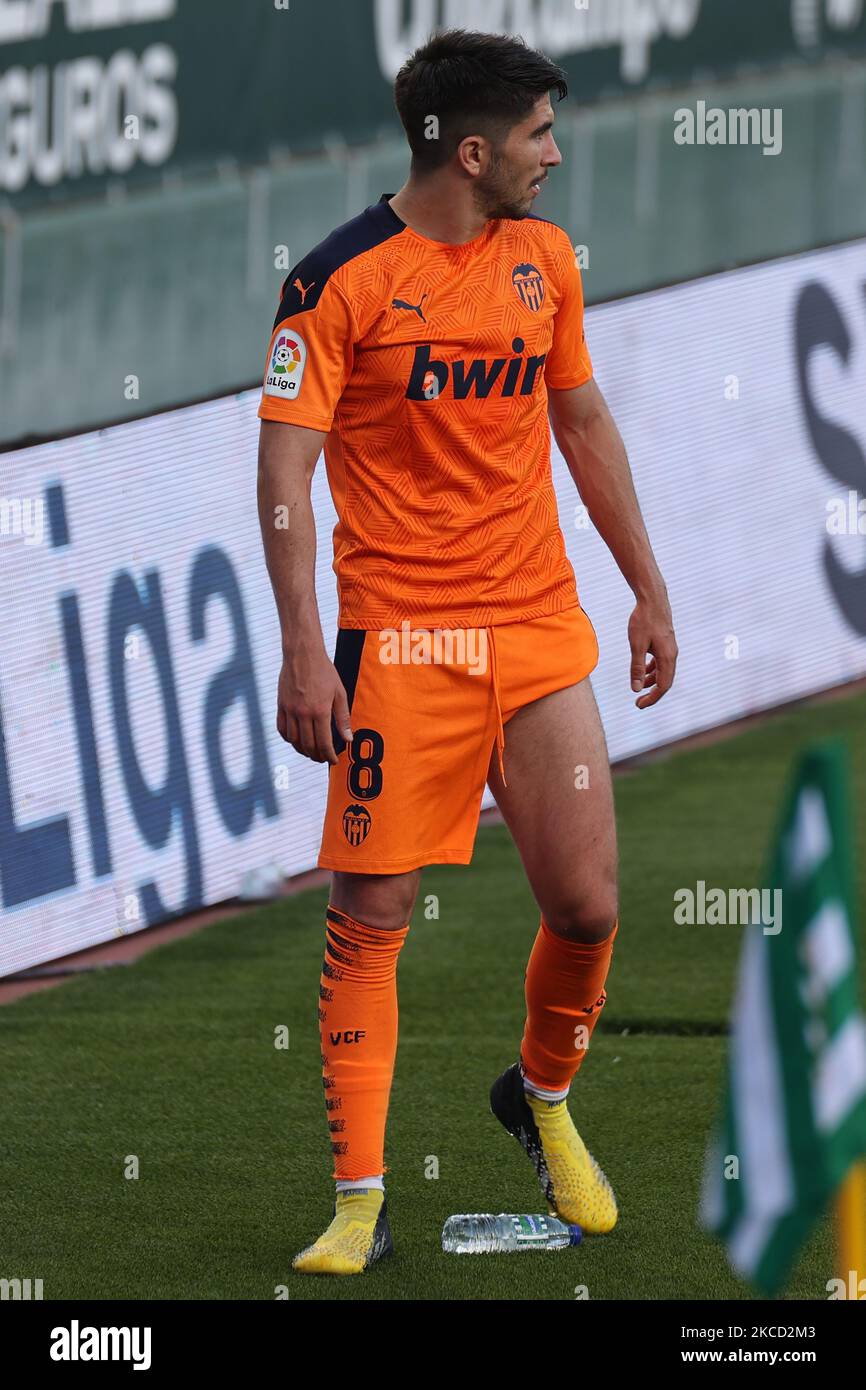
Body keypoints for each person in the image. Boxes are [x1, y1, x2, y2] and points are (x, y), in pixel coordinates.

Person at [257, 28, 678, 1276]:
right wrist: (301, 648)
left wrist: (646, 586)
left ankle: (540, 1097)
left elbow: (581, 414)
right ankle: (357, 1202)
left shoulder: (545, 261)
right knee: (371, 918)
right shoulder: (335, 282)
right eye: (539, 135)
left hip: (535, 629)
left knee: (589, 904)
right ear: (475, 149)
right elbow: (282, 467)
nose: (555, 154)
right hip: (396, 646)